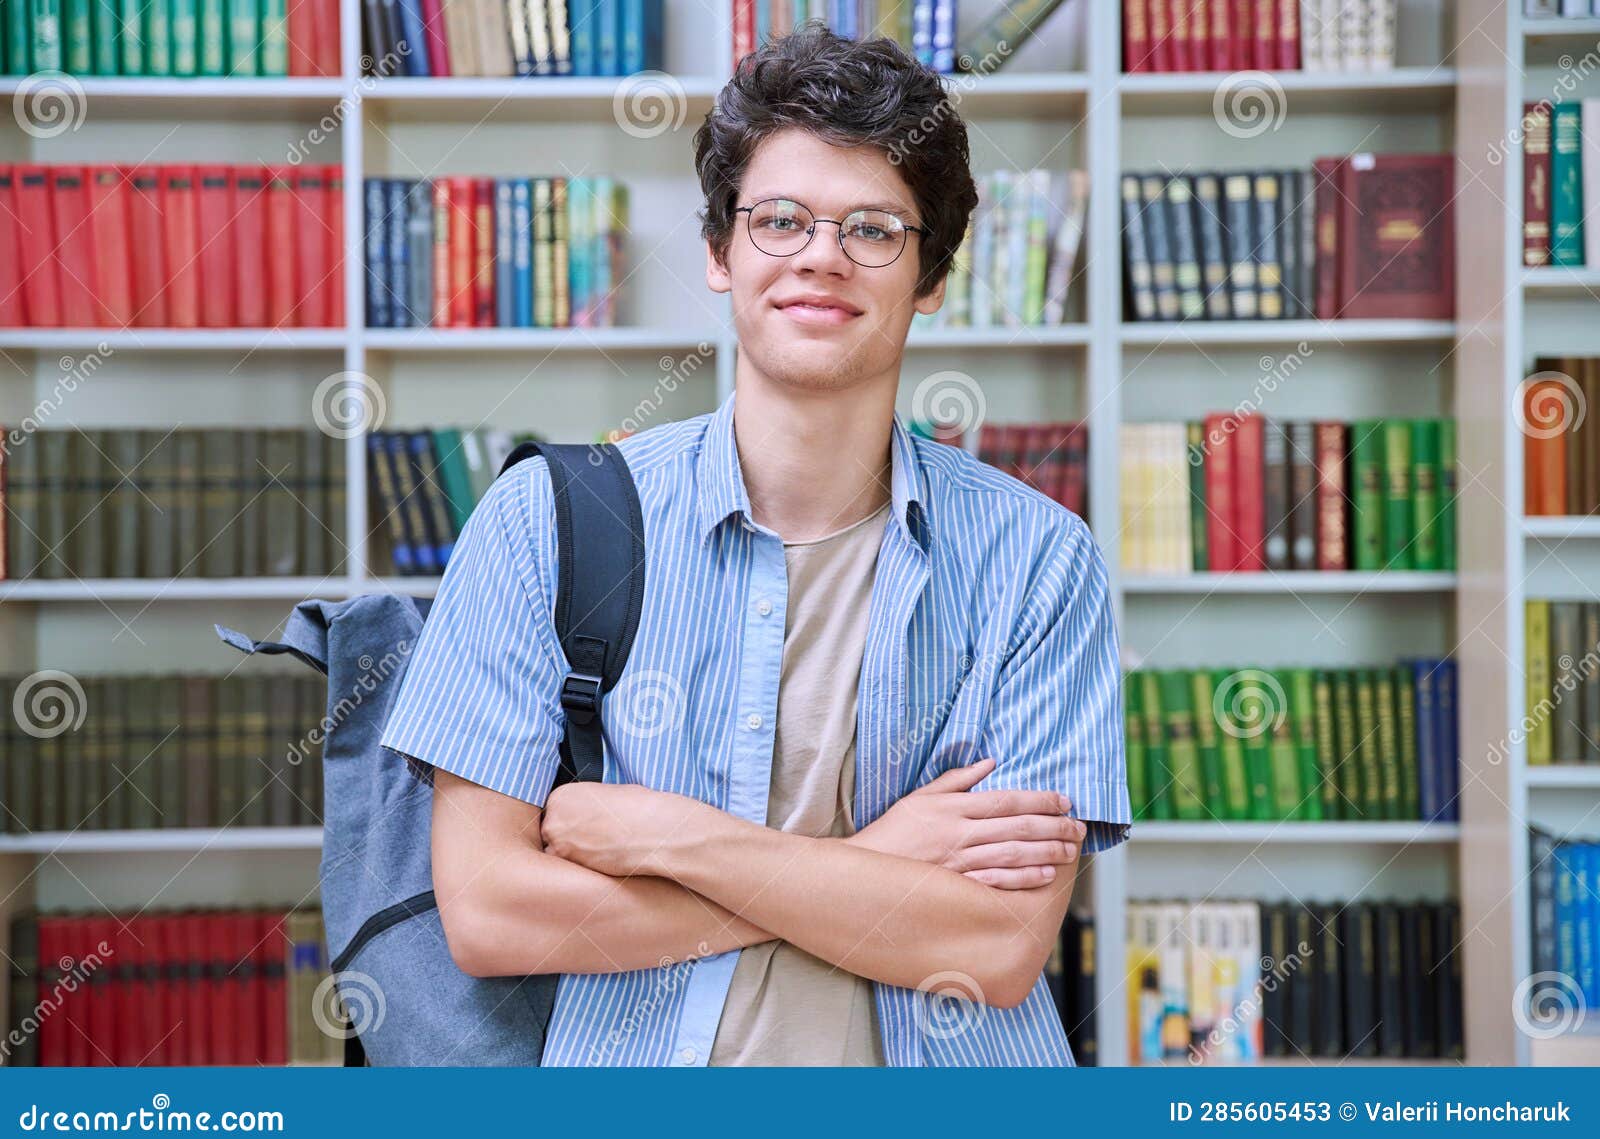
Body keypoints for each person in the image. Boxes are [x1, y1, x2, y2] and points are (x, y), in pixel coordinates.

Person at [380, 24, 1129, 1067]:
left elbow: (996, 944)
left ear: (933, 276)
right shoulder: (541, 519)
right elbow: (492, 913)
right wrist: (872, 867)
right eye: (779, 219)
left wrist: (671, 839)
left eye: (873, 229)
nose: (821, 253)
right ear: (719, 252)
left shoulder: (1041, 560)